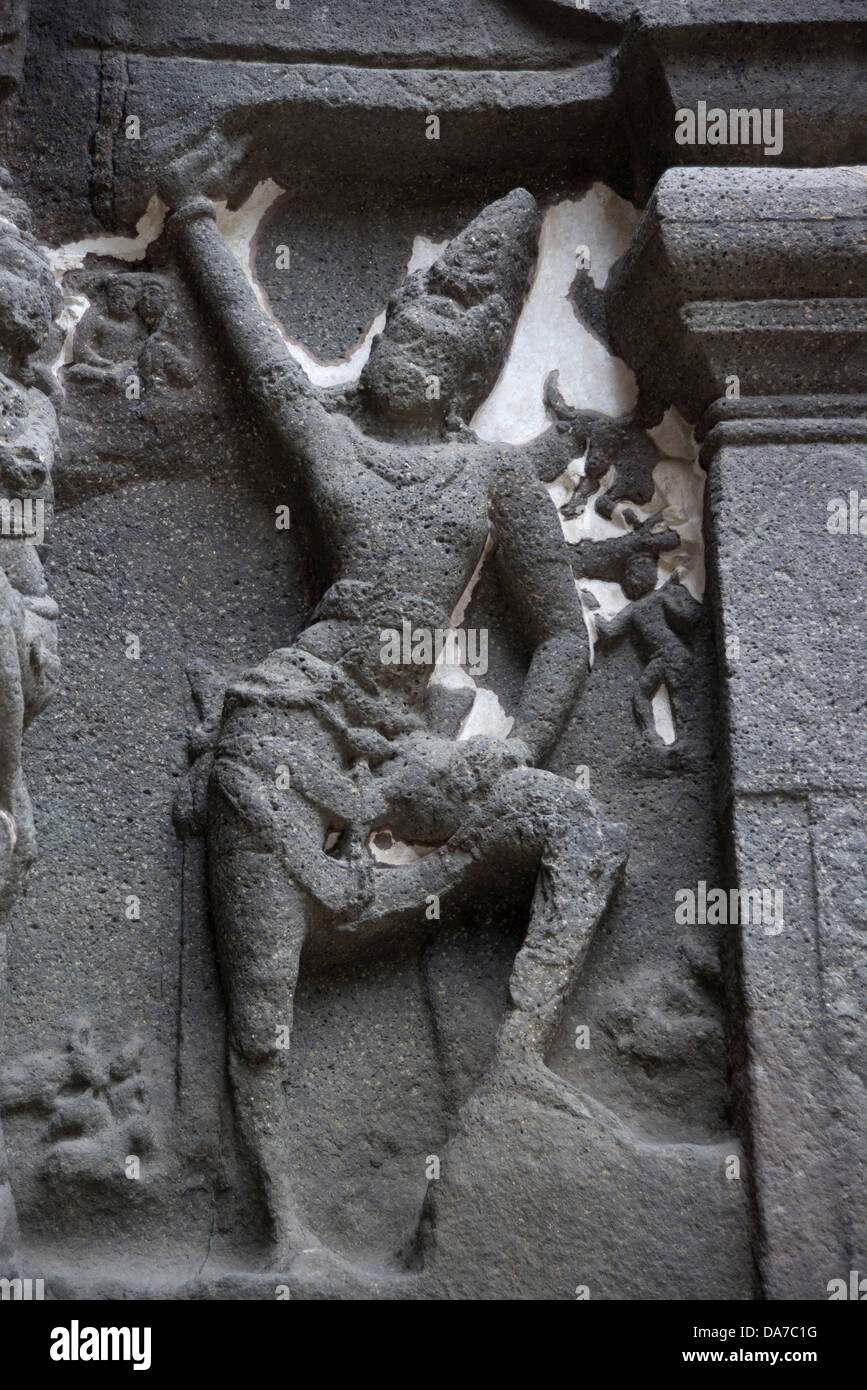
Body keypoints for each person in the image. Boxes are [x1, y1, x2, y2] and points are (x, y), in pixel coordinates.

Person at [159, 142, 627, 1269]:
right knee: (261, 1005)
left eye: (410, 333)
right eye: (385, 323)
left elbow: (564, 633)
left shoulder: (494, 478)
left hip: (405, 752)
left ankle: (515, 1067)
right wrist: (184, 217)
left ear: (461, 367)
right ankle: (281, 1233)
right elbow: (264, 358)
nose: (383, 342)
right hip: (285, 723)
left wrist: (514, 742)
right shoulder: (334, 443)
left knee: (578, 831)